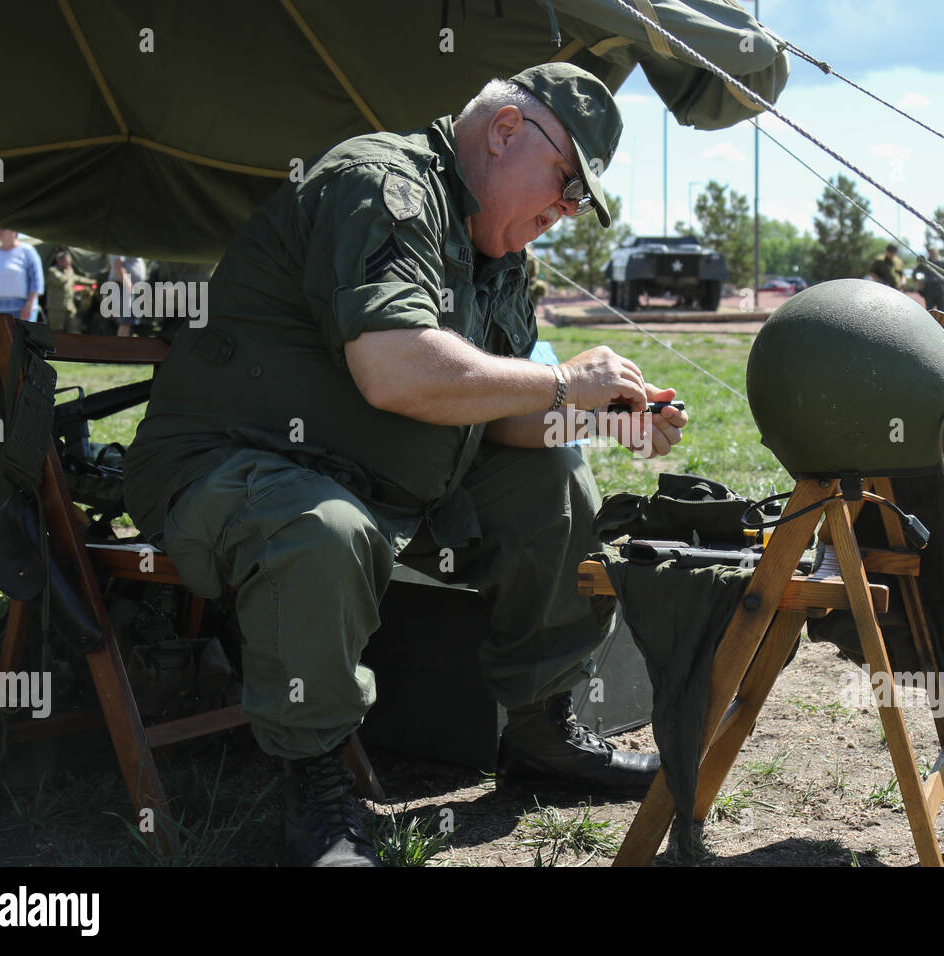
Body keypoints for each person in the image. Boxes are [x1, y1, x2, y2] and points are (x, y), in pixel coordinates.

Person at [123, 63, 688, 868]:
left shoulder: (497, 253)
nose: (564, 213)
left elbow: (499, 415)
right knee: (320, 529)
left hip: (396, 482)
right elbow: (394, 369)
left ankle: (539, 732)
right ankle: (315, 785)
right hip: (236, 466)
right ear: (503, 132)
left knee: (554, 476)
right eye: (566, 182)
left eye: (578, 203)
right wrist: (567, 380)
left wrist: (603, 419)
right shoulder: (383, 187)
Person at [0, 228, 44, 322]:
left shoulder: (27, 251)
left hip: (21, 310)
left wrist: (29, 304)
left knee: (19, 337)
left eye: (3, 229)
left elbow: (36, 280)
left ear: (14, 231)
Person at [45, 249, 97, 333]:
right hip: (57, 309)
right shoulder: (53, 271)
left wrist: (93, 282)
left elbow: (79, 279)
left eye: (69, 262)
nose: (69, 264)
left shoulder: (68, 272)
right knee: (56, 332)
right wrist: (70, 272)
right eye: (67, 262)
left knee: (74, 330)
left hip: (69, 308)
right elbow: (61, 280)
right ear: (59, 261)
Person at [917, 247, 944, 312]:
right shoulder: (925, 262)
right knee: (929, 309)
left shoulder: (943, 262)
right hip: (929, 287)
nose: (932, 253)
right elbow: (917, 273)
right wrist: (920, 282)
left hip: (940, 286)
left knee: (942, 308)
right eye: (930, 251)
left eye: (933, 251)